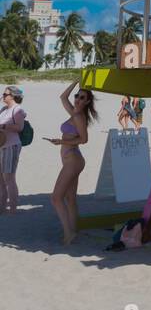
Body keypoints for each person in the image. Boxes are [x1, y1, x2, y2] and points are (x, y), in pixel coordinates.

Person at [47, 81, 97, 244]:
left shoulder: (77, 116)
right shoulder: (74, 113)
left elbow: (84, 139)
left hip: (73, 160)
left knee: (56, 198)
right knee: (70, 199)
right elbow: (63, 97)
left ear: (87, 102)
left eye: (82, 97)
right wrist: (76, 81)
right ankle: (74, 230)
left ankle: (69, 233)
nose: (78, 99)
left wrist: (61, 142)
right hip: (72, 159)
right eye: (77, 96)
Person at [0, 85, 27, 215]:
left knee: (9, 177)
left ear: (13, 96)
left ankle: (13, 208)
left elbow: (20, 127)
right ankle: (2, 207)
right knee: (1, 178)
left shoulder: (17, 110)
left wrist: (4, 125)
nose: (3, 96)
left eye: (5, 94)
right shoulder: (4, 109)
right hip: (1, 145)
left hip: (11, 146)